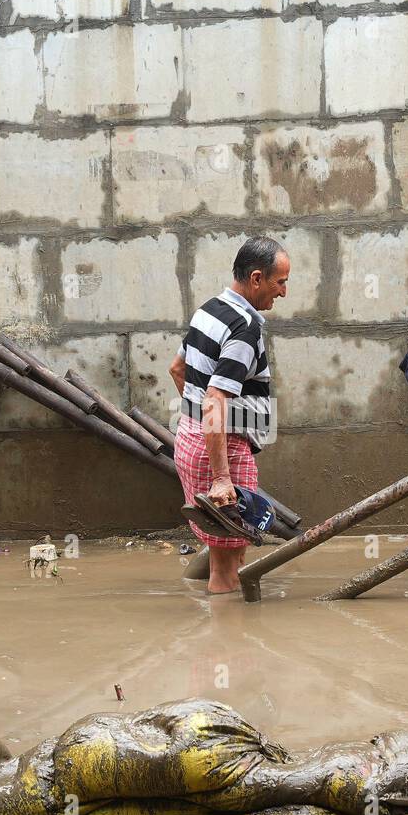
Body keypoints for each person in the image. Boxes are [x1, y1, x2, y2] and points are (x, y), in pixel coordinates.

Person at [168, 237, 288, 594]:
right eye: (279, 282)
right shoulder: (245, 328)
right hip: (222, 451)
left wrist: (196, 425)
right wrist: (221, 477)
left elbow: (177, 369)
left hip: (193, 440)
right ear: (256, 279)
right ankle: (228, 645)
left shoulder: (210, 308)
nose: (282, 292)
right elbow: (215, 400)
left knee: (231, 555)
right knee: (226, 572)